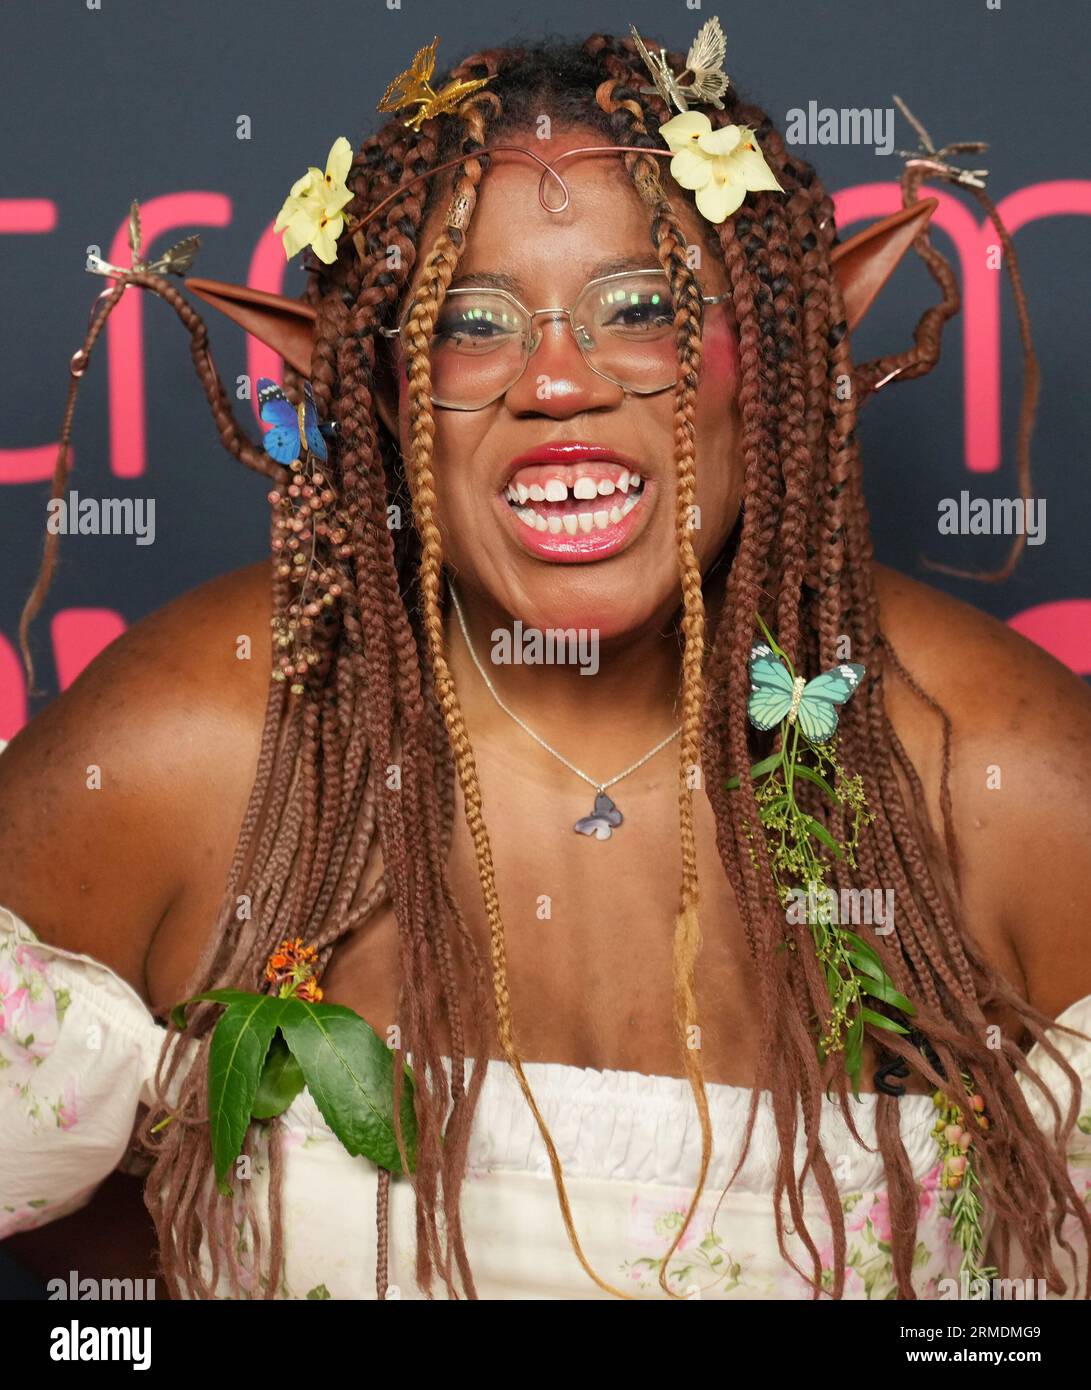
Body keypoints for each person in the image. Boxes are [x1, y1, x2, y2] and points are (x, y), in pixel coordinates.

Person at [1, 29, 1089, 1302]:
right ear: (387, 390)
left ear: (787, 350)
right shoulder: (187, 743)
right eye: (472, 324)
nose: (558, 380)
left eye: (644, 307)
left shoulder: (1001, 765)